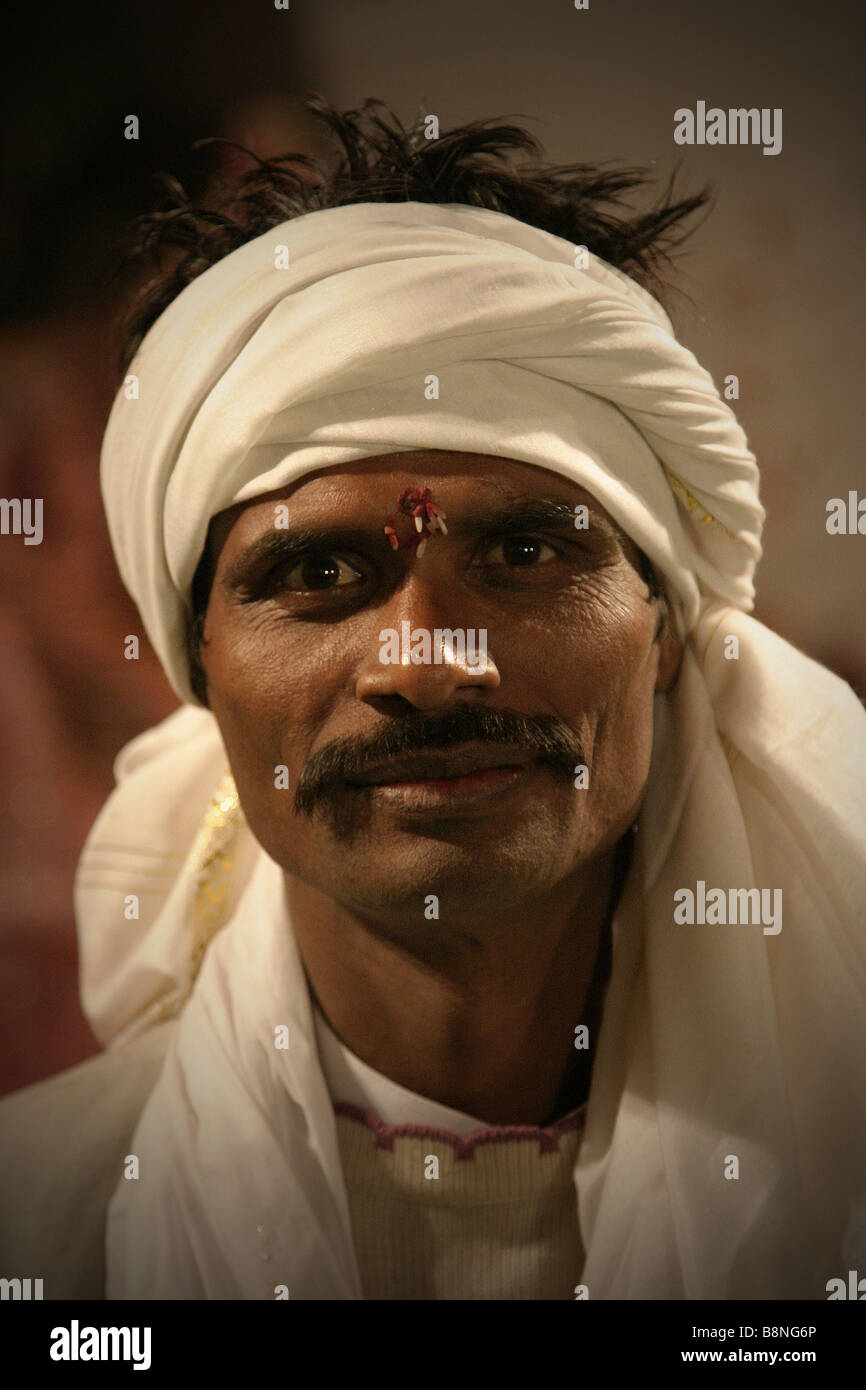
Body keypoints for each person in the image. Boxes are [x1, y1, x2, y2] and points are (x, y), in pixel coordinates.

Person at [1, 97, 863, 1302]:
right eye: (314, 574)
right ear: (201, 666)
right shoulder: (44, 1233)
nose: (427, 659)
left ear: (663, 628)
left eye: (522, 553)